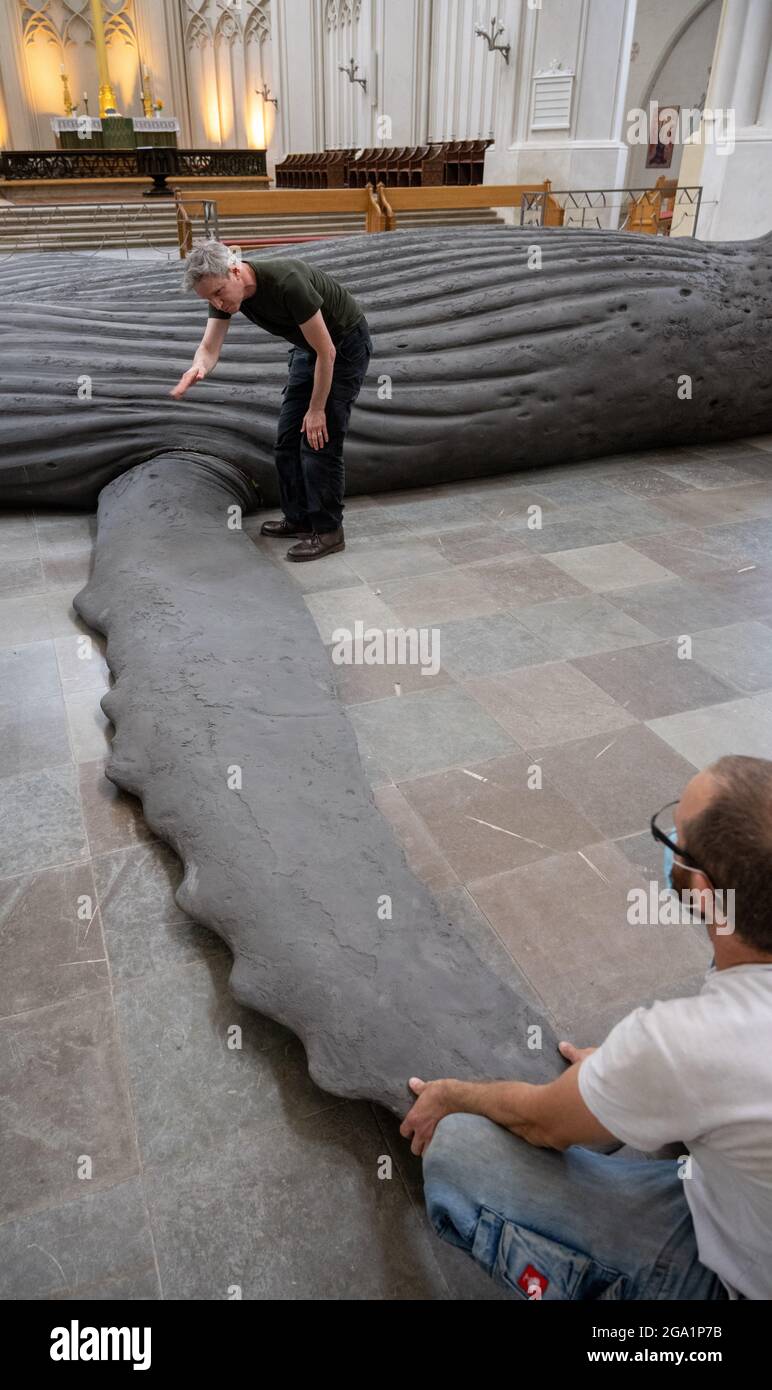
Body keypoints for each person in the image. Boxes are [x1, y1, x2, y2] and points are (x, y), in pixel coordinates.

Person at [401, 755, 772, 1300]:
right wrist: (638, 1080)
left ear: (705, 892)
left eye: (676, 837)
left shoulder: (691, 1041)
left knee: (459, 1150)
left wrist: (451, 1094)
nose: (669, 836)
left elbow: (540, 1124)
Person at [171, 240, 372, 562]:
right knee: (286, 440)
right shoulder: (222, 291)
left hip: (342, 346)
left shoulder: (286, 282)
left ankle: (329, 531)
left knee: (319, 441)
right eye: (208, 297)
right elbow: (209, 348)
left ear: (235, 271)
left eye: (219, 292)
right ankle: (298, 519)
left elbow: (327, 351)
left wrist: (317, 409)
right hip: (309, 350)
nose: (216, 302)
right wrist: (197, 368)